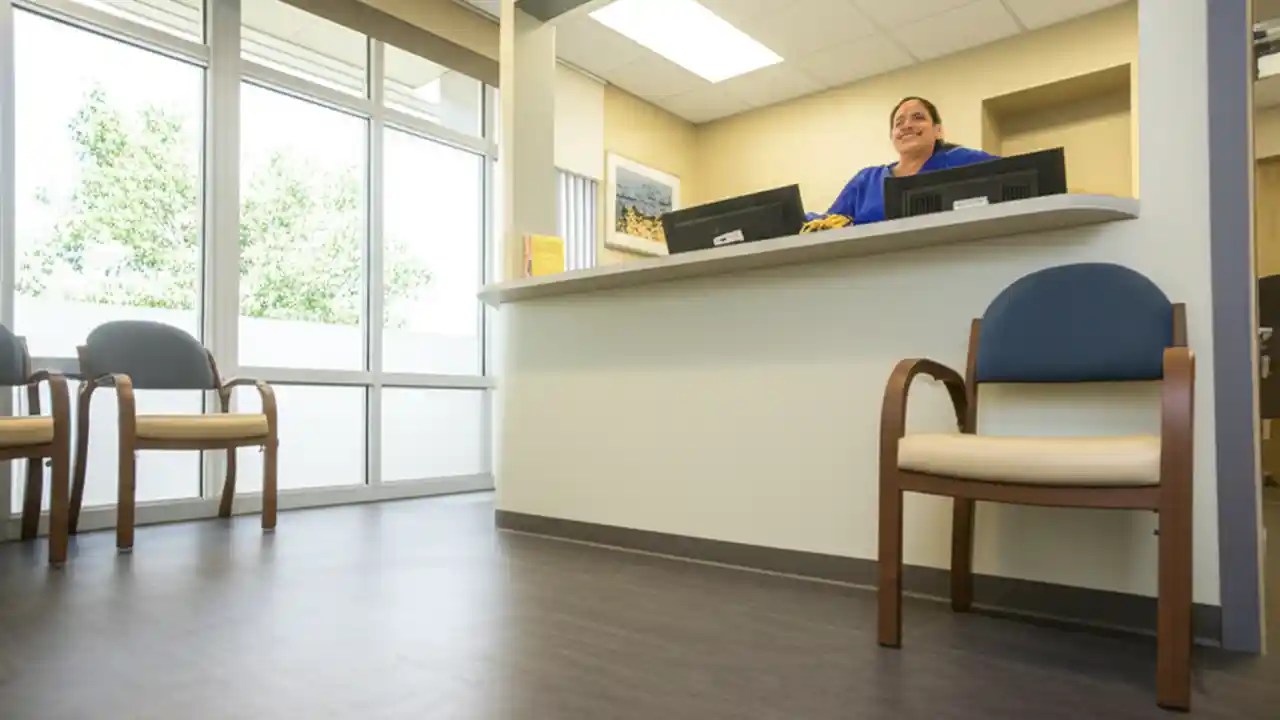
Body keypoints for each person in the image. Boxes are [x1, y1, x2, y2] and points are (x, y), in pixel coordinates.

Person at [803, 97, 998, 230]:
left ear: (938, 131)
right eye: (899, 123)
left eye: (918, 118)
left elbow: (1017, 176)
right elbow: (829, 223)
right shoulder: (867, 180)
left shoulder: (962, 161)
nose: (907, 126)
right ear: (892, 136)